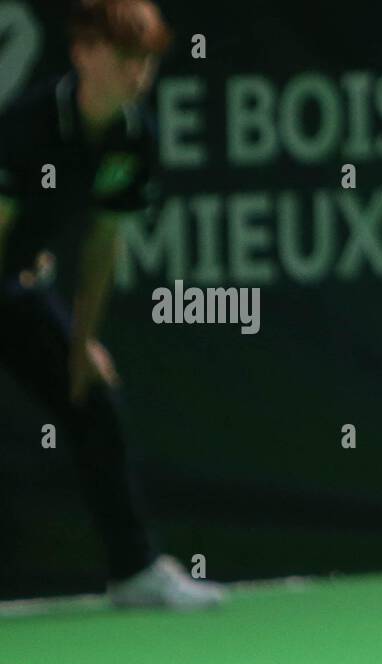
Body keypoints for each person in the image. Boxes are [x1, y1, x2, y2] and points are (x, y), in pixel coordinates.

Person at [0, 0, 224, 609]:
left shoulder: (133, 134)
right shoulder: (23, 127)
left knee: (91, 397)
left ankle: (133, 572)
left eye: (147, 61)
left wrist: (78, 344)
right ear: (84, 52)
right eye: (125, 58)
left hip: (13, 286)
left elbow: (104, 243)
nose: (137, 75)